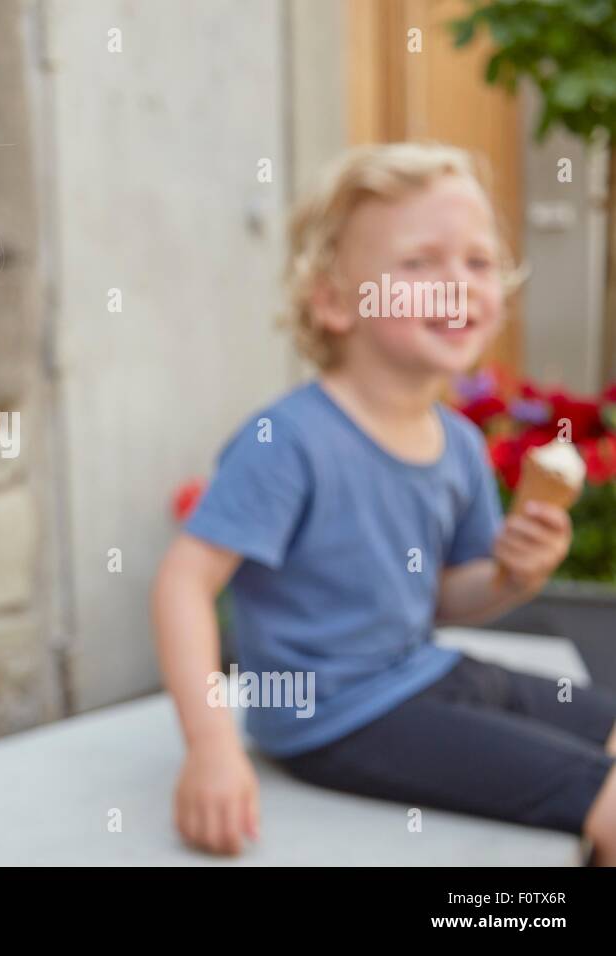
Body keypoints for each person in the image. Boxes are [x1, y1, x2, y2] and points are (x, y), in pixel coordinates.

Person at [152, 142, 616, 864]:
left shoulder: (459, 443)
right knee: (606, 794)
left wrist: (511, 575)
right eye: (419, 262)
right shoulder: (290, 439)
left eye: (478, 262)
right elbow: (185, 581)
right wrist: (210, 746)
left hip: (425, 672)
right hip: (334, 716)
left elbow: (439, 598)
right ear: (336, 302)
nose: (456, 283)